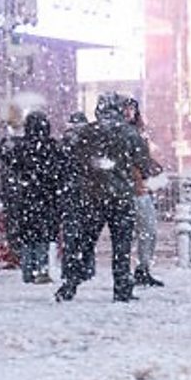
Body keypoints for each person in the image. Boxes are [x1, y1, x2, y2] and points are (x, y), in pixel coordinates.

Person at [59, 93, 153, 303]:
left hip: (92, 196)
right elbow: (144, 164)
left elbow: (73, 158)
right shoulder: (130, 133)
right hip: (121, 197)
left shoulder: (87, 132)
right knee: (122, 246)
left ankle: (70, 284)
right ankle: (121, 288)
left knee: (85, 243)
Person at [0, 111, 69, 285]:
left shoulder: (20, 147)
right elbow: (62, 169)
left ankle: (28, 271)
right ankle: (41, 270)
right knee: (44, 237)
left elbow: (8, 162)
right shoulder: (52, 147)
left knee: (27, 236)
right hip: (47, 198)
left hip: (25, 198)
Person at [122, 97, 166, 288]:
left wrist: (152, 168)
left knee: (147, 231)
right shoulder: (123, 133)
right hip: (130, 189)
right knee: (132, 232)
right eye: (126, 108)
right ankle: (131, 271)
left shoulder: (138, 132)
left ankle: (141, 269)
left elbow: (143, 159)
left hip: (140, 188)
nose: (129, 112)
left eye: (132, 108)